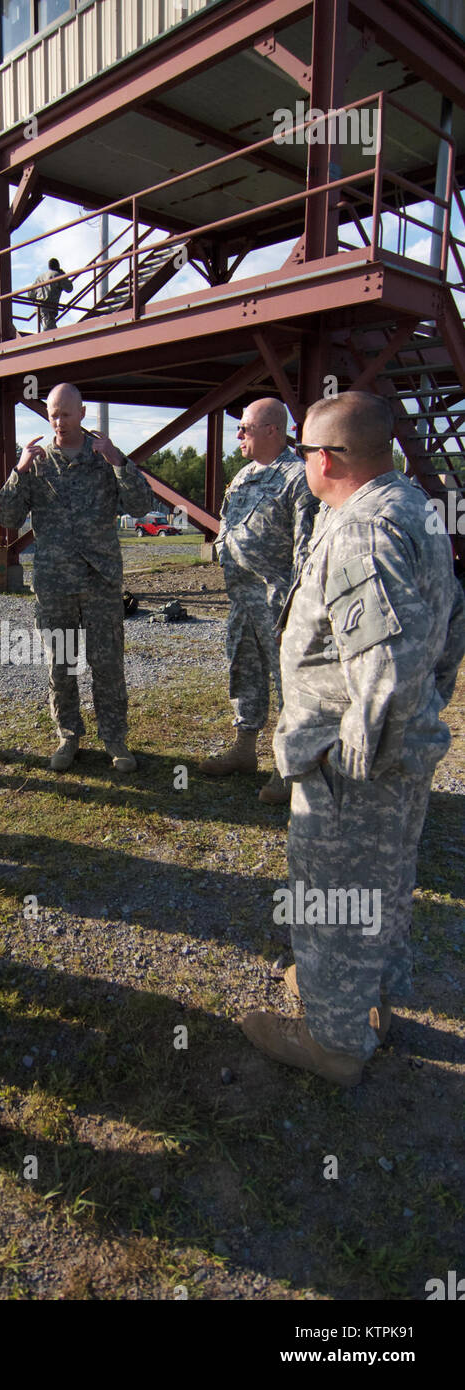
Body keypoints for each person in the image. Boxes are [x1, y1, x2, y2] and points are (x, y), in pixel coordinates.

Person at [240, 391, 465, 1084]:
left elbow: (385, 665)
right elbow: (450, 627)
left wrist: (353, 755)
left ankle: (334, 1041)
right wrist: (426, 713)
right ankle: (368, 1000)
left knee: (334, 896)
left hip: (352, 764)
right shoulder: (412, 508)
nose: (301, 461)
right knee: (385, 885)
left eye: (306, 450)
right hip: (399, 751)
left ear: (329, 458)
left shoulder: (363, 529)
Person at [0, 382, 153, 773]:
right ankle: (68, 735)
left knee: (108, 664)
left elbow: (141, 505)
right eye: (52, 414)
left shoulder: (104, 458)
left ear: (82, 414)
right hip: (55, 584)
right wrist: (18, 472)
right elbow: (7, 519)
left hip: (100, 580)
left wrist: (119, 462)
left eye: (66, 413)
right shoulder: (38, 463)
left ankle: (115, 739)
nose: (59, 422)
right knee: (61, 665)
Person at [201, 397, 317, 804]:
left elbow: (307, 550)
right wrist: (221, 547)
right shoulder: (245, 475)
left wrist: (298, 604)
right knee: (244, 674)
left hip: (280, 605)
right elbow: (226, 520)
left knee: (291, 687)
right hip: (242, 602)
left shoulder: (298, 478)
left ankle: (289, 768)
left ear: (272, 430)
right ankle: (244, 749)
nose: (238, 435)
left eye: (245, 428)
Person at [33, 258, 74, 331]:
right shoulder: (57, 275)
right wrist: (64, 276)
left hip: (38, 308)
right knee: (51, 333)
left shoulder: (40, 277)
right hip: (49, 308)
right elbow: (69, 288)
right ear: (58, 266)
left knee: (48, 330)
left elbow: (30, 294)